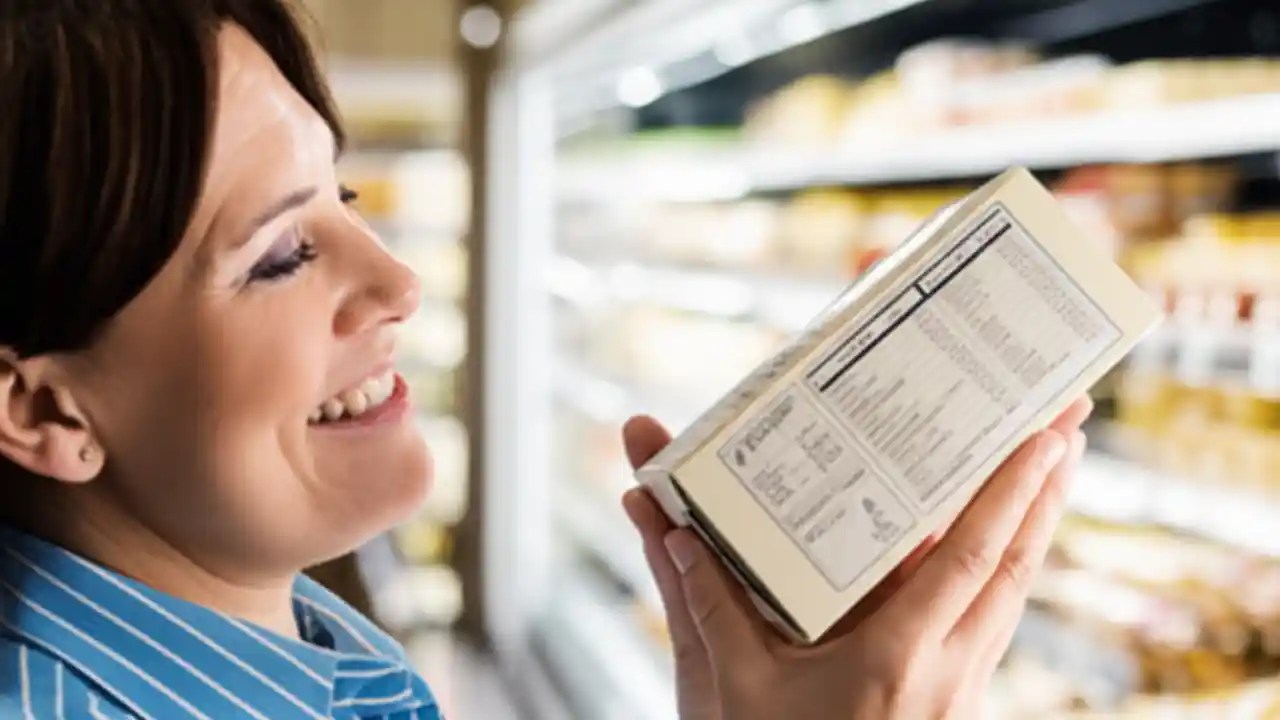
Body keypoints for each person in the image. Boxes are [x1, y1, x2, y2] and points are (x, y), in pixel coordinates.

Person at [0, 1, 1090, 718]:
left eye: (346, 198)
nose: (398, 284)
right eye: (283, 254)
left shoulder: (302, 655)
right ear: (45, 410)